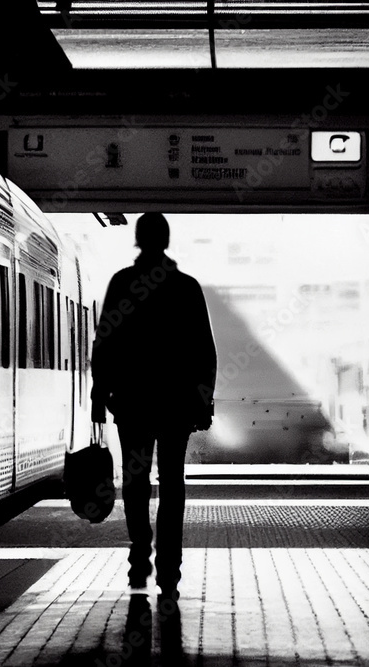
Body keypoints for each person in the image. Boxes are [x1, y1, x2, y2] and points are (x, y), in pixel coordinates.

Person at [91, 212, 217, 601]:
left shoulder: (122, 284)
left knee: (135, 479)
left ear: (138, 240)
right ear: (165, 241)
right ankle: (170, 570)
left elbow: (105, 343)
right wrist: (203, 400)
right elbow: (203, 350)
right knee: (172, 484)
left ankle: (140, 550)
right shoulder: (186, 287)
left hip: (132, 401)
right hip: (176, 404)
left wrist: (99, 395)